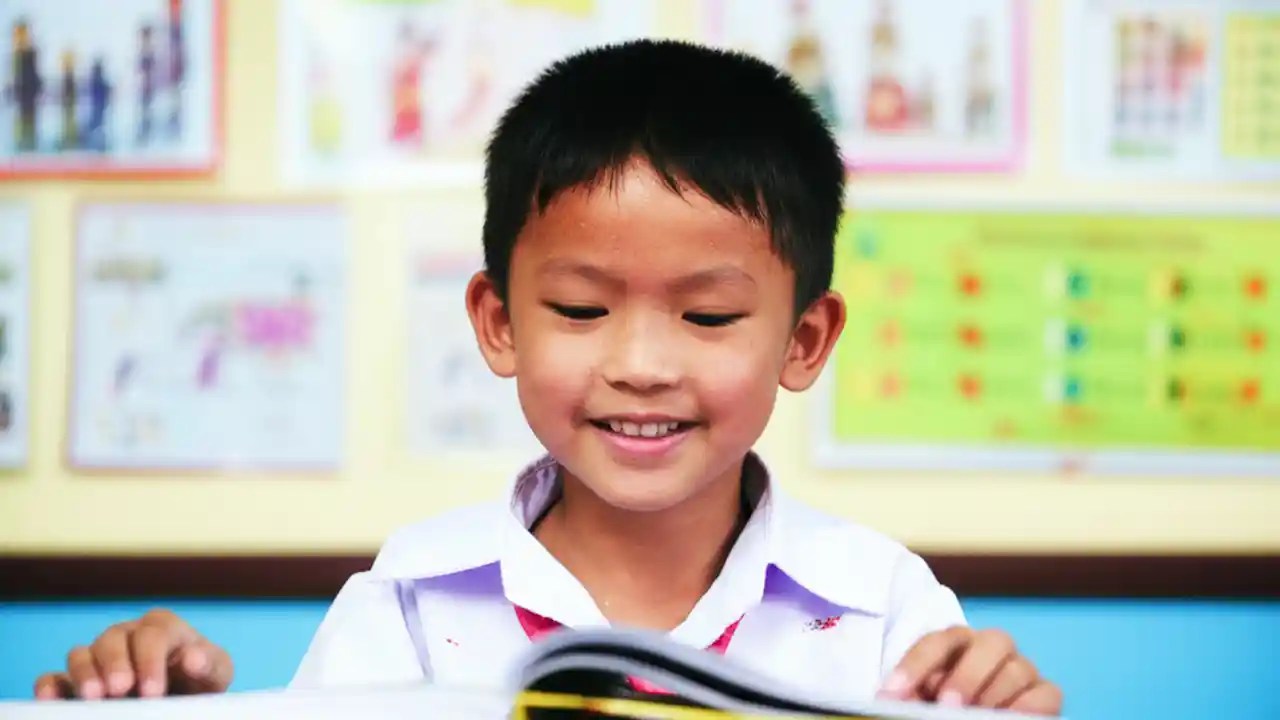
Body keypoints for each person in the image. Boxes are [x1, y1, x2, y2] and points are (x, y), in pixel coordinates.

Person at [33, 39, 1062, 714]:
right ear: (496, 322)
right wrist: (174, 704)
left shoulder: (886, 607)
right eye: (578, 310)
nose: (639, 365)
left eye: (706, 315)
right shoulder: (405, 603)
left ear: (803, 341)